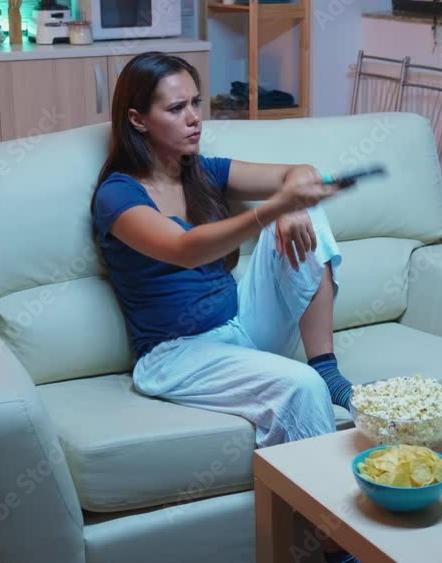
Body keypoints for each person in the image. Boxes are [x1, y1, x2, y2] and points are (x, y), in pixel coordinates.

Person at [91, 52, 357, 563]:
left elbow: (303, 173)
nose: (194, 118)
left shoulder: (203, 172)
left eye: (196, 103)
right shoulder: (117, 195)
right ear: (137, 119)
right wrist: (273, 211)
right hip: (175, 354)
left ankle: (326, 367)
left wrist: (293, 200)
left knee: (309, 206)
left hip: (239, 327)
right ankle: (338, 549)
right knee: (295, 388)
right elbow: (185, 250)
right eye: (176, 108)